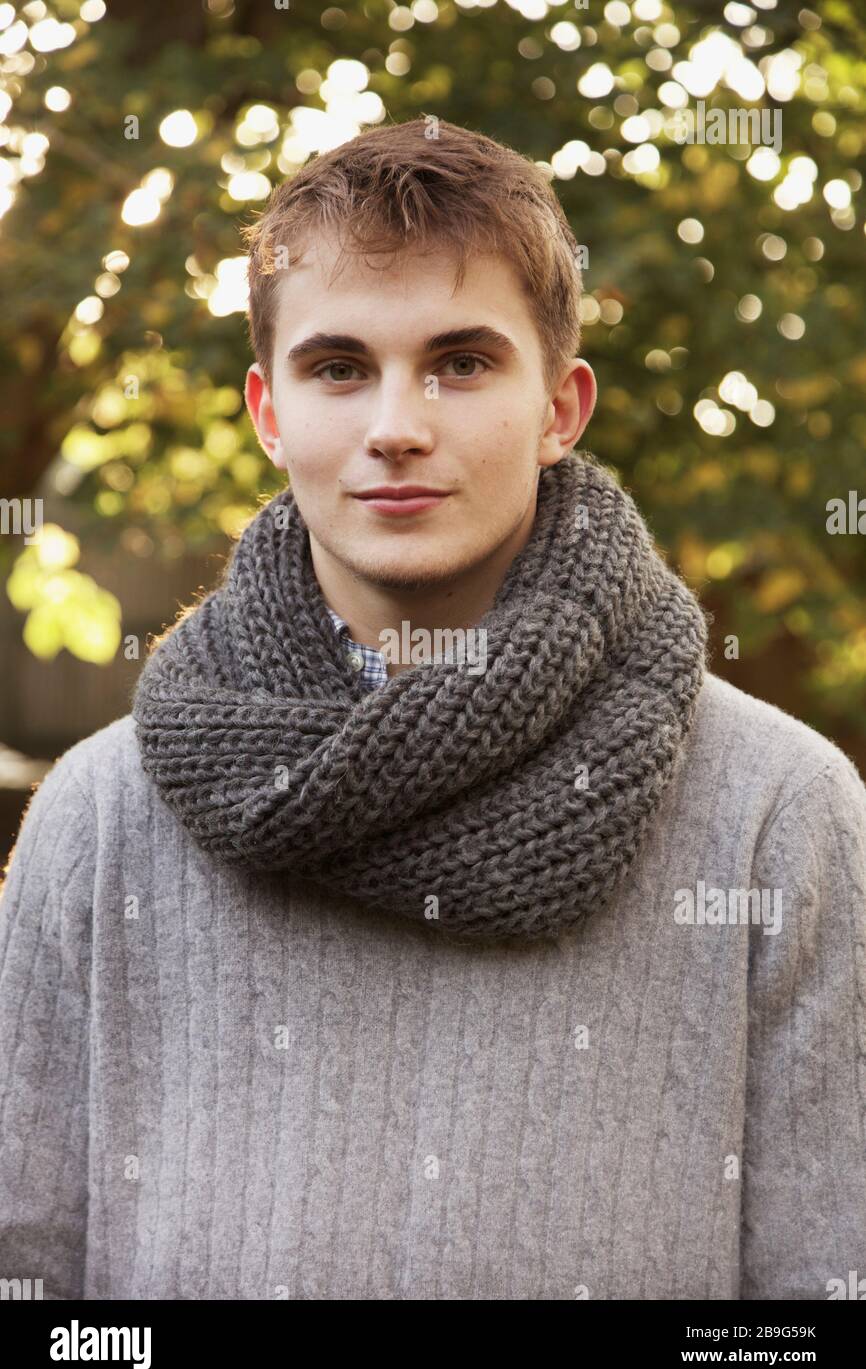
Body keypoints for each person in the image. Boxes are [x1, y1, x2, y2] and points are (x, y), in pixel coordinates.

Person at [1, 118, 864, 1302]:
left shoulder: (779, 812)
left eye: (460, 362)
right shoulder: (99, 820)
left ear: (561, 407)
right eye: (337, 366)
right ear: (267, 411)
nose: (394, 425)